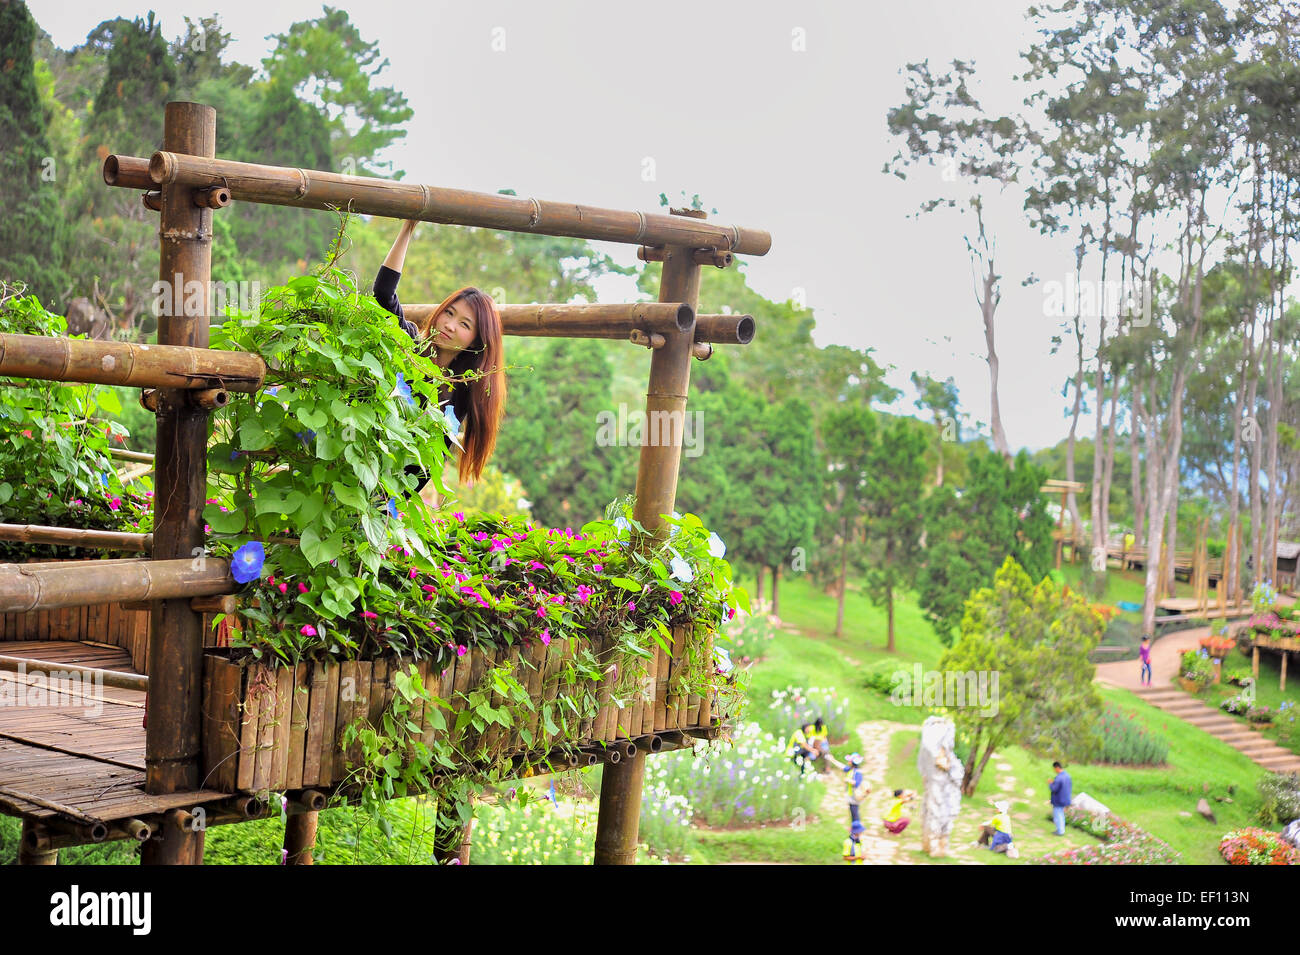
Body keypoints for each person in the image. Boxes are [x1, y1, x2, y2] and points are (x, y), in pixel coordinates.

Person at [374, 219, 507, 507]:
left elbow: (419, 472)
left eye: (464, 323)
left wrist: (383, 504)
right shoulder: (410, 341)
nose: (449, 325)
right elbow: (384, 293)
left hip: (388, 492)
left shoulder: (458, 397)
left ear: (476, 340)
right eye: (449, 312)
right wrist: (408, 227)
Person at [1049, 761, 1073, 835]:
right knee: (1061, 815)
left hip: (1058, 800)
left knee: (1058, 815)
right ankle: (1061, 830)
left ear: (1057, 768)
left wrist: (1050, 783)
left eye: (1054, 768)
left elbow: (1054, 789)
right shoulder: (1067, 776)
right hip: (1065, 799)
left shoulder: (1059, 777)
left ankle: (1060, 831)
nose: (1054, 770)